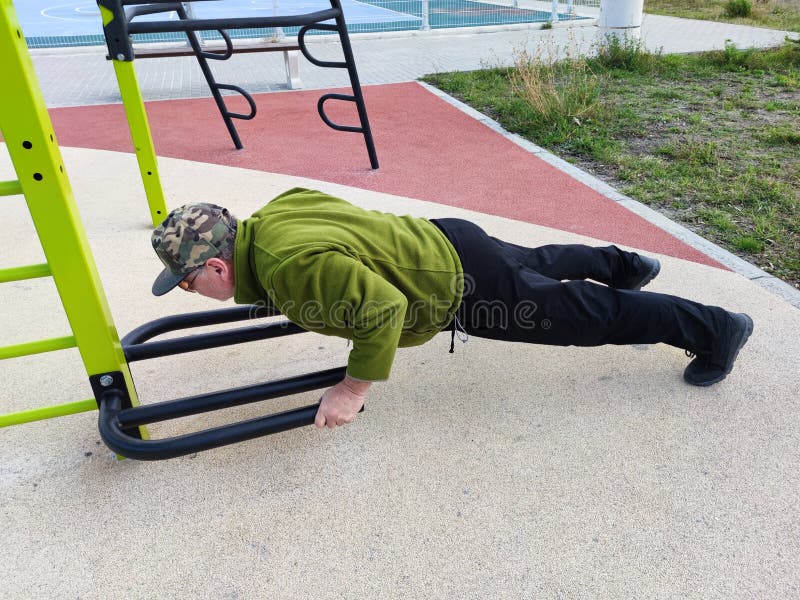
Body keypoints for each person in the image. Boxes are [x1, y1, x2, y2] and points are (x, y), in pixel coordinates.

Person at [150, 188, 754, 429]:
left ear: (217, 266)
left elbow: (381, 310)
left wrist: (351, 390)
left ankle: (719, 329)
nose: (189, 292)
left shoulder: (287, 266)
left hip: (461, 286)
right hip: (445, 238)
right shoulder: (276, 212)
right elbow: (352, 238)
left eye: (186, 283)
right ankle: (626, 263)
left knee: (589, 315)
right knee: (539, 262)